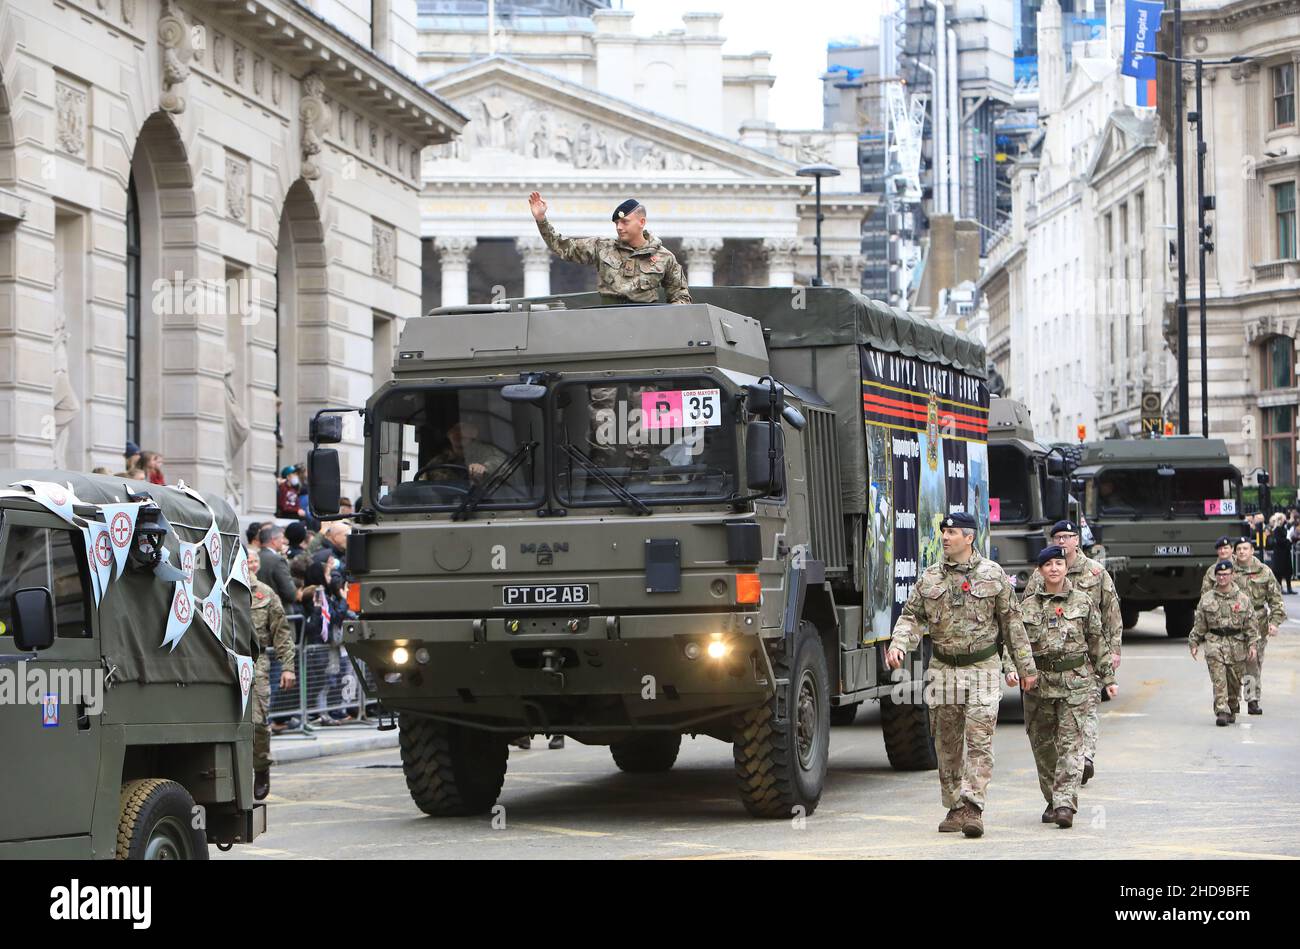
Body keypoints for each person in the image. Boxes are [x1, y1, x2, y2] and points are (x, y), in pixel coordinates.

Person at [886, 512, 1037, 838]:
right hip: (943, 672)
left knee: (979, 741)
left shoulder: (994, 576)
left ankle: (973, 806)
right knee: (947, 743)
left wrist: (1024, 669)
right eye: (943, 531)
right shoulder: (929, 579)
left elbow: (1013, 625)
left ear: (969, 538)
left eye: (952, 532)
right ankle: (954, 806)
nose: (945, 537)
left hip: (982, 669)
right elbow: (911, 617)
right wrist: (899, 645)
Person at [1017, 546, 1116, 827]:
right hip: (1039, 686)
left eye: (1059, 563)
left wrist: (1108, 678)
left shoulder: (1082, 602)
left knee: (1071, 745)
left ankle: (1065, 803)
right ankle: (1052, 798)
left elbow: (1097, 641)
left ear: (1065, 567)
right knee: (1043, 745)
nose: (1054, 569)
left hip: (1075, 684)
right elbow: (1016, 644)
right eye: (1048, 564)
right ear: (1040, 571)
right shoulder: (1027, 606)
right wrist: (1013, 670)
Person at [528, 192, 691, 305]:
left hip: (646, 322)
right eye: (616, 223)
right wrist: (541, 220)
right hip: (608, 319)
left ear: (641, 222)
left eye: (625, 222)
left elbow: (680, 296)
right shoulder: (602, 248)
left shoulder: (665, 257)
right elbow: (563, 247)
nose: (619, 227)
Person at [248, 548, 296, 800]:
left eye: (254, 560)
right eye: (246, 560)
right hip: (224, 662)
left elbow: (282, 632)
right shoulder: (220, 590)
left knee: (257, 720)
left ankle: (261, 767)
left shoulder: (265, 594)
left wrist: (288, 666)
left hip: (257, 661)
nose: (250, 564)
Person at [1190, 560, 1258, 726]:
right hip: (1214, 644)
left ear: (1232, 575)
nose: (1222, 578)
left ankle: (1232, 706)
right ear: (1215, 577)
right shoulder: (1207, 599)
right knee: (1219, 680)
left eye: (1226, 574)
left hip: (1237, 645)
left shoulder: (1243, 599)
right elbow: (1200, 624)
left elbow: (1251, 625)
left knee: (1234, 682)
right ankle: (1221, 710)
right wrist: (1194, 642)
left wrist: (1252, 645)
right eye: (1219, 575)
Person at [1231, 537, 1284, 715]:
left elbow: (1276, 599)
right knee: (1233, 664)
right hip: (1233, 624)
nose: (1242, 552)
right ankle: (1233, 700)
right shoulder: (1228, 571)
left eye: (1245, 548)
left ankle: (1252, 699)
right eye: (1239, 549)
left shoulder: (1264, 571)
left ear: (1252, 551)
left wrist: (1275, 622)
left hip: (1258, 624)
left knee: (1253, 663)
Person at [421, 420, 508, 485]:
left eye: (462, 428)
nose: (457, 433)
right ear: (448, 434)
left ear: (474, 432)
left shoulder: (486, 451)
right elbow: (423, 483)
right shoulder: (439, 461)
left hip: (488, 504)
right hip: (450, 506)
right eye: (453, 429)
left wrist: (484, 468)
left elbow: (504, 465)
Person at [257, 524, 299, 612]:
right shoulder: (278, 560)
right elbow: (290, 593)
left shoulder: (255, 556)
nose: (283, 541)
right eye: (281, 538)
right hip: (279, 613)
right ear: (274, 541)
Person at [1269, 512, 1293, 594]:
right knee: (1279, 572)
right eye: (1283, 519)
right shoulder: (1277, 530)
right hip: (1280, 554)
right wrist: (1287, 541)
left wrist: (1289, 541)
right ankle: (1280, 588)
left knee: (1288, 571)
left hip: (1286, 553)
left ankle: (1289, 588)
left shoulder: (1284, 529)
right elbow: (1279, 541)